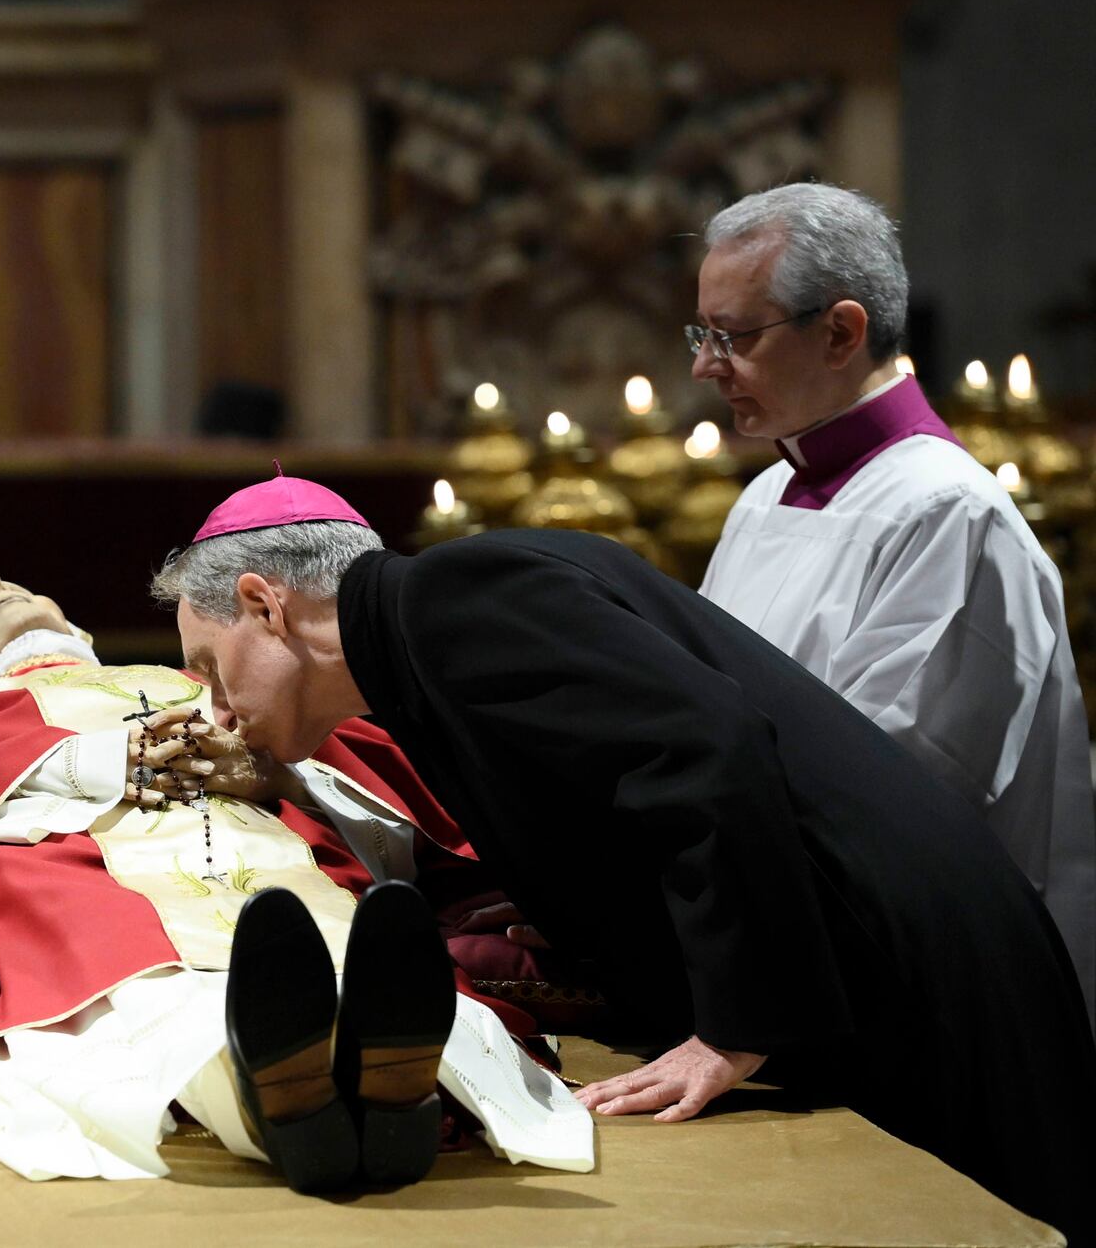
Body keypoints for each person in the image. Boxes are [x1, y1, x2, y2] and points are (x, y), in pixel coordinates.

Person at [158, 473, 1096, 1239]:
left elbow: (709, 747)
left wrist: (737, 1025)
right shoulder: (415, 638)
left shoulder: (458, 595)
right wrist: (574, 898)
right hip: (872, 933)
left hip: (903, 946)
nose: (217, 707)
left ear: (265, 605)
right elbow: (620, 772)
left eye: (209, 665)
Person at [0, 575, 594, 1190]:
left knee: (331, 927)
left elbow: (364, 753)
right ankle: (297, 1106)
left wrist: (269, 767)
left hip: (266, 841)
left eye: (8, 583)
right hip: (81, 854)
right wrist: (99, 763)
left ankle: (372, 1081)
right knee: (146, 971)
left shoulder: (192, 675)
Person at [691, 183, 1092, 1020]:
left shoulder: (949, 513)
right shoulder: (765, 495)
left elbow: (882, 800)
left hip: (915, 989)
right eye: (703, 334)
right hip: (774, 943)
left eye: (734, 337)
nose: (705, 366)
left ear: (841, 331)